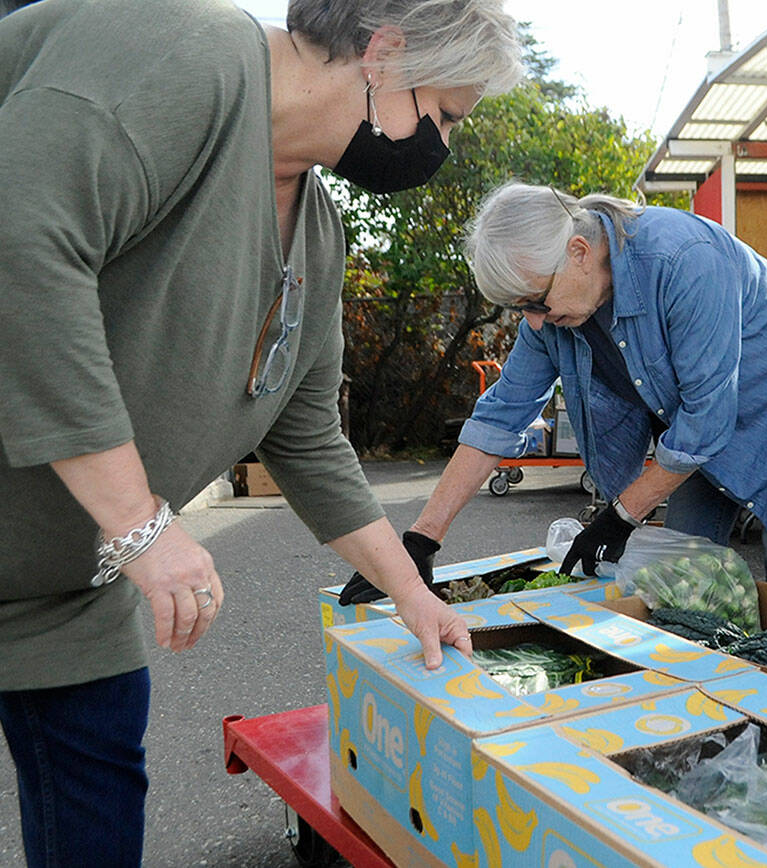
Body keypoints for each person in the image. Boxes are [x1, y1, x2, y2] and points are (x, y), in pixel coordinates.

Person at [0, 0, 521, 864]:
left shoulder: (317, 229)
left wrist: (410, 592)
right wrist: (138, 524)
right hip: (92, 544)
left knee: (97, 812)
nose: (443, 146)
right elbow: (22, 243)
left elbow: (305, 433)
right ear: (384, 53)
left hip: (65, 598)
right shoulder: (180, 51)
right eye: (446, 115)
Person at [342, 182, 767, 605]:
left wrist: (622, 514)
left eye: (535, 302)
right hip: (704, 422)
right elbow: (499, 416)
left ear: (579, 252)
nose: (532, 322)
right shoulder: (554, 314)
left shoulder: (683, 258)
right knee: (683, 564)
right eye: (521, 308)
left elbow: (706, 420)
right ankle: (720, 690)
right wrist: (421, 540)